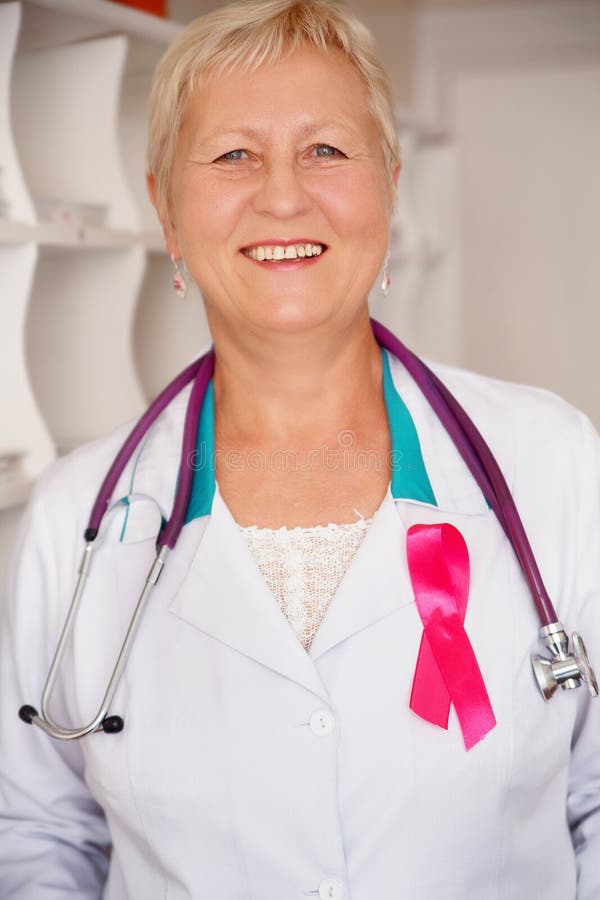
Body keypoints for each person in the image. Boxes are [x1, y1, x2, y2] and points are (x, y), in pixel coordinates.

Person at [1, 0, 599, 897]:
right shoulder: (76, 522)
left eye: (326, 149)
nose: (283, 194)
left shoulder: (549, 459)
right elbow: (38, 838)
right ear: (166, 205)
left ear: (389, 185)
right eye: (233, 154)